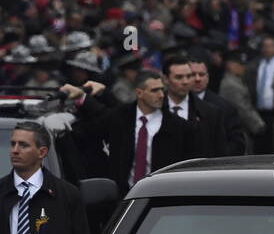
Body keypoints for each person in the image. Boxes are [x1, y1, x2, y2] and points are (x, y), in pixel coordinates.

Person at [65, 71, 194, 196]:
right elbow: (98, 119)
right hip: (123, 197)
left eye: (162, 90)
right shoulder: (121, 118)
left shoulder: (179, 126)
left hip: (162, 196)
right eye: (154, 90)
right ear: (139, 93)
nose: (161, 95)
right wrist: (82, 98)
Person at [163, 53, 228, 158]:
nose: (185, 82)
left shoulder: (211, 113)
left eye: (189, 76)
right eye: (179, 77)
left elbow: (219, 153)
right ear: (166, 79)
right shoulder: (153, 109)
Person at [188, 50, 246, 157]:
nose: (197, 79)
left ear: (208, 77)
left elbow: (237, 145)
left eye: (201, 74)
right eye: (192, 75)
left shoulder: (224, 107)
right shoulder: (175, 105)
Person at [218, 51, 264, 154]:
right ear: (230, 65)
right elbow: (242, 109)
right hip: (237, 129)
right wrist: (258, 125)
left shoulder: (236, 81)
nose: (243, 67)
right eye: (240, 64)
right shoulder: (230, 85)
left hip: (242, 129)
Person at [248, 34, 274, 152]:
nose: (267, 49)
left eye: (271, 46)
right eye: (265, 46)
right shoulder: (255, 64)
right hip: (258, 111)